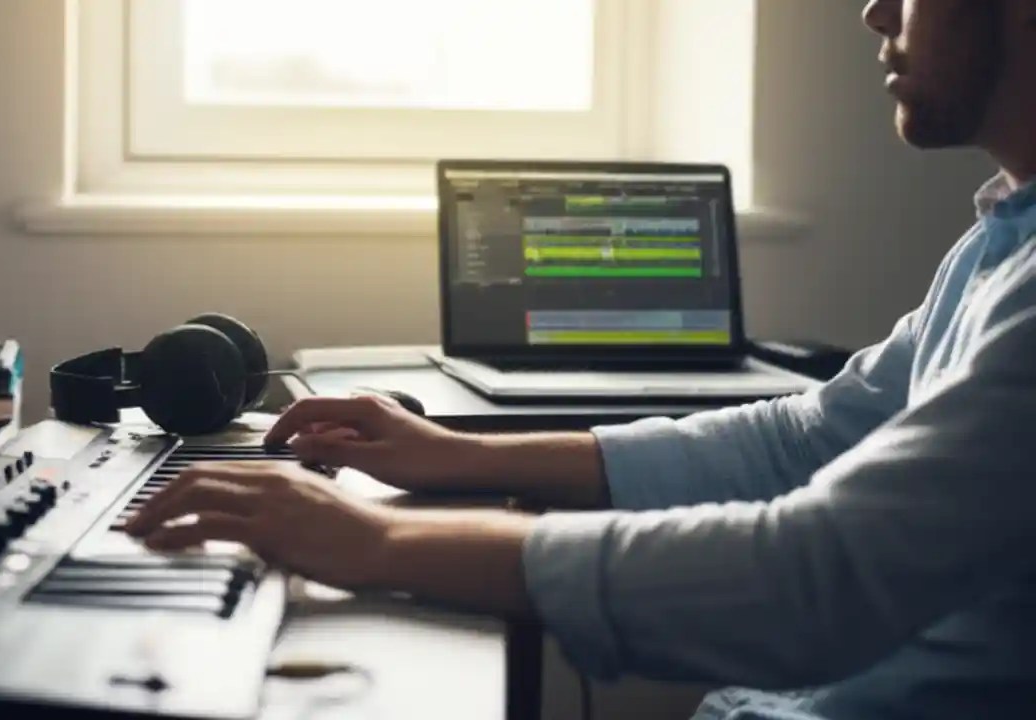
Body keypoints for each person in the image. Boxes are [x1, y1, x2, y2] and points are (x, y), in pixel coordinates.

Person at [126, 1, 1036, 717]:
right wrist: (463, 454)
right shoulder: (998, 242)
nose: (878, 11)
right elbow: (809, 436)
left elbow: (815, 579)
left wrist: (377, 537)